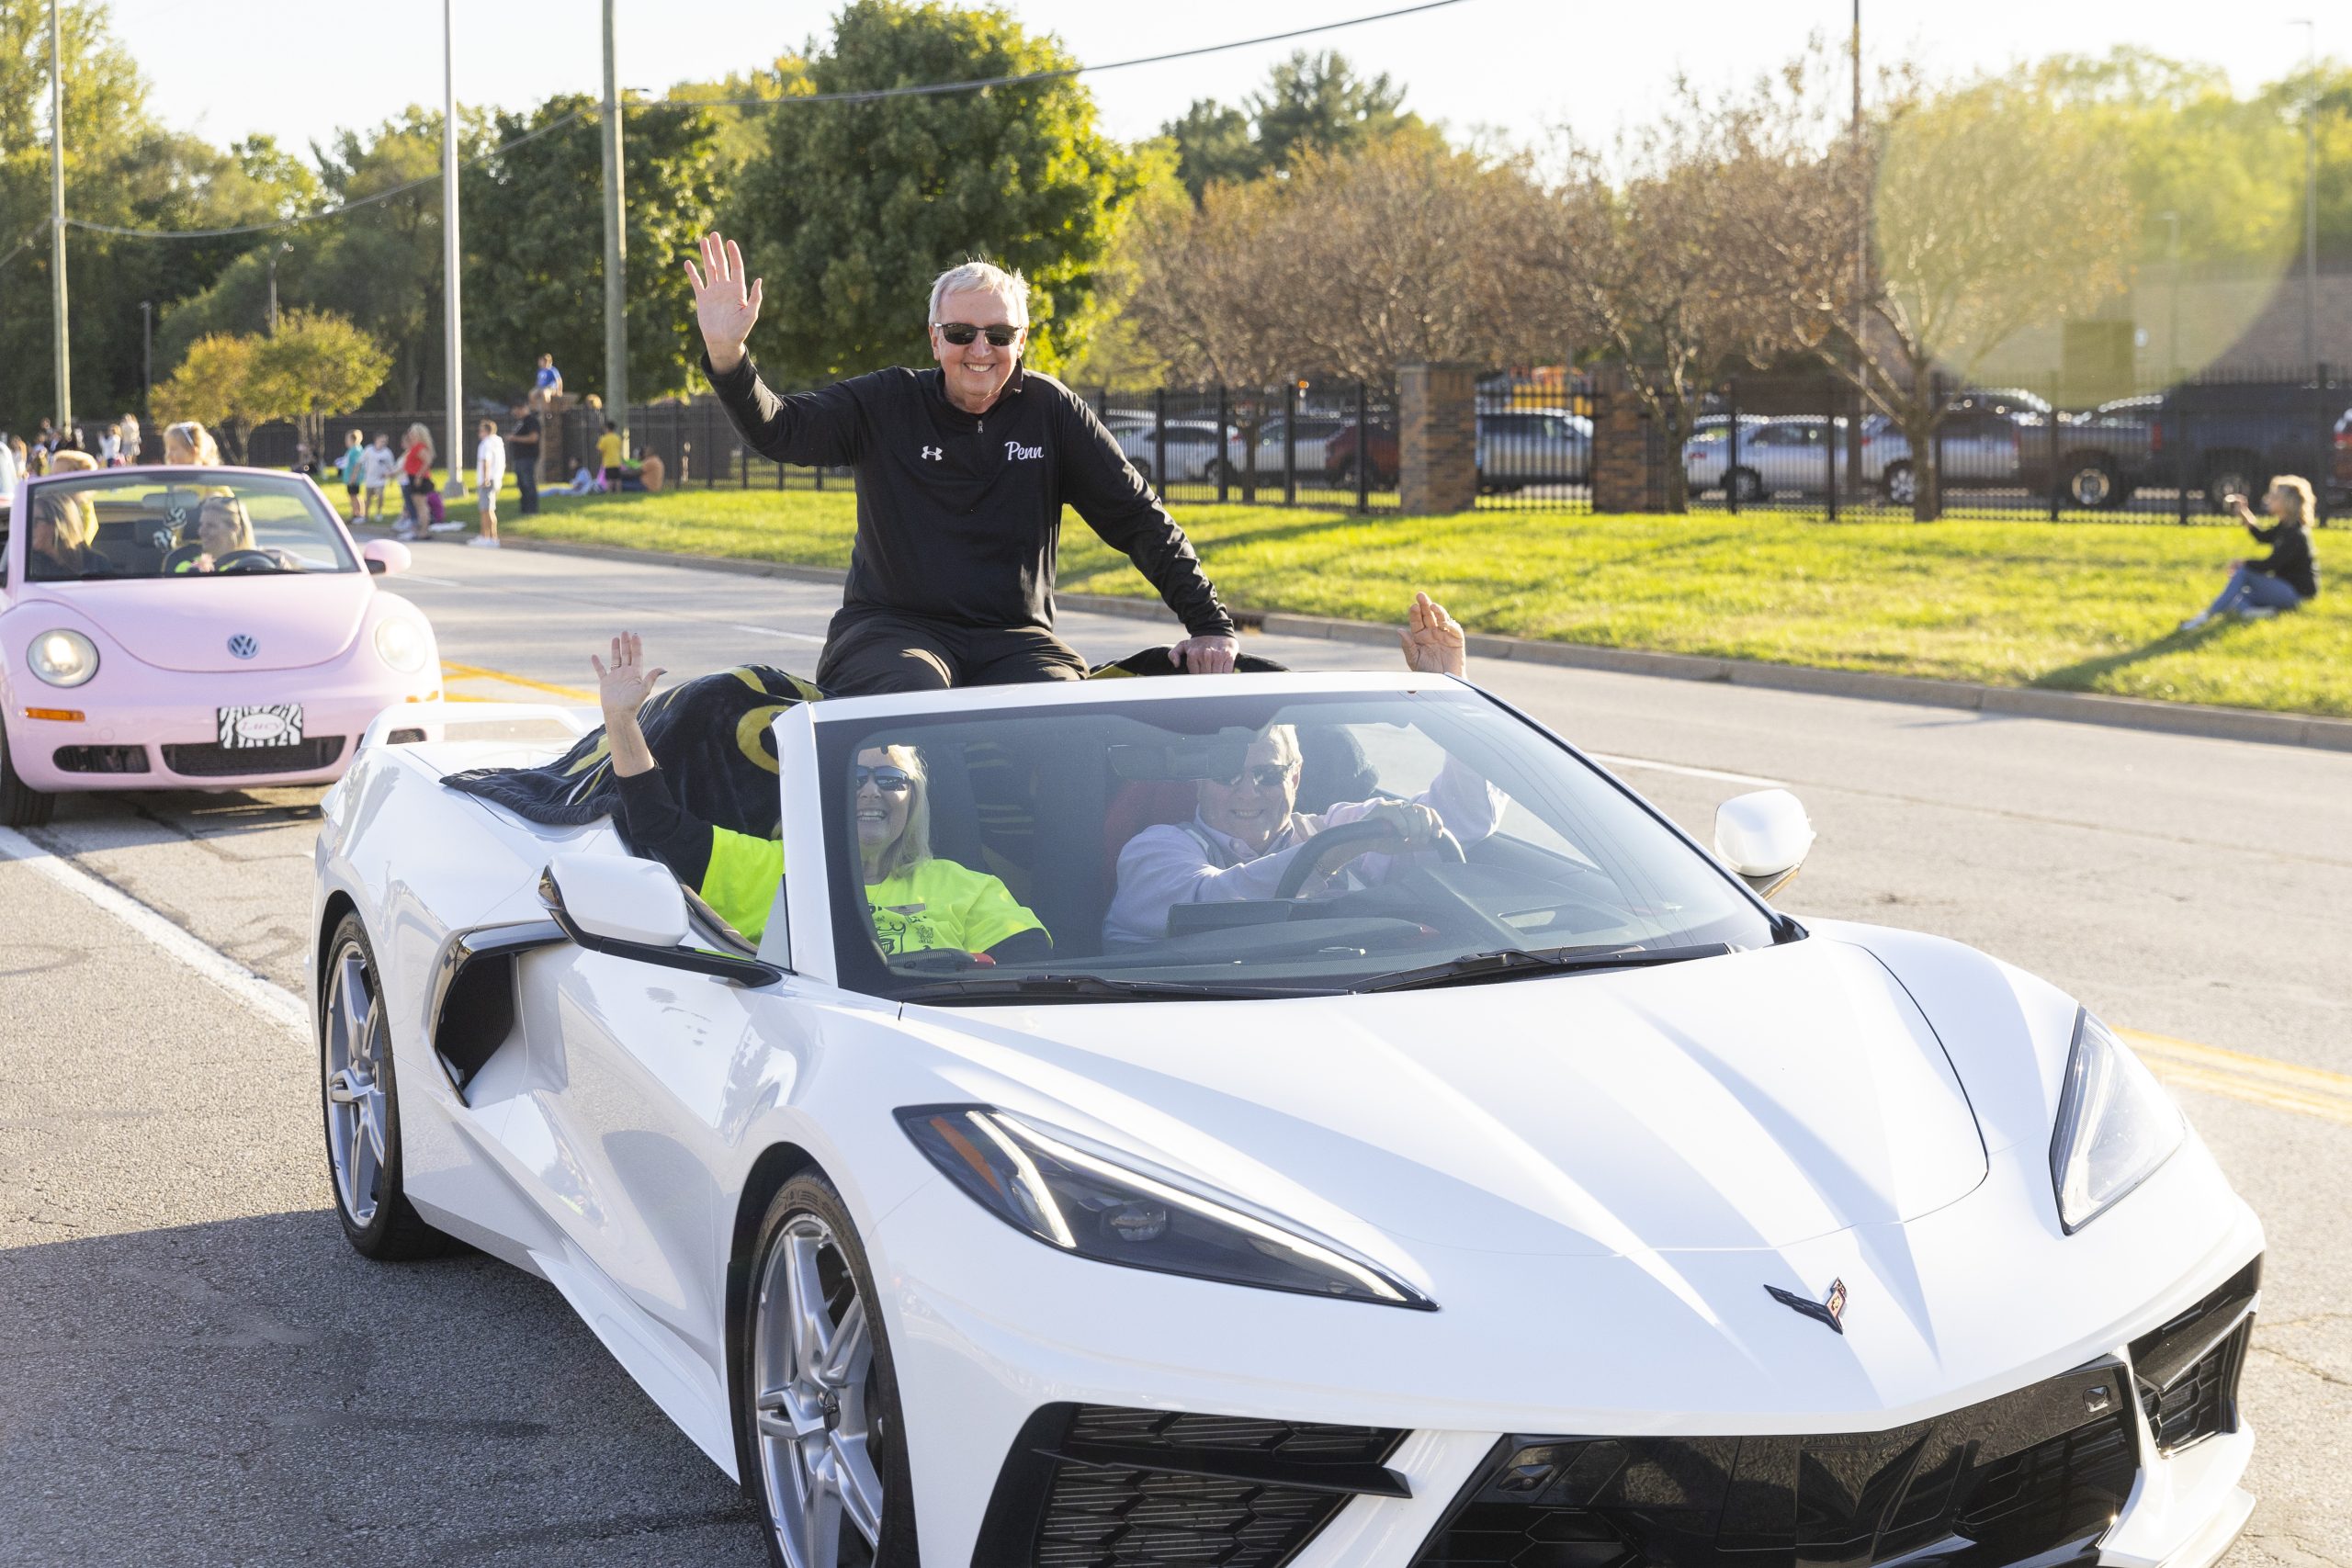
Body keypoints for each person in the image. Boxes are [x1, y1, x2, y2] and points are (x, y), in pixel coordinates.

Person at [686, 231, 1239, 695]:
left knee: (1064, 715)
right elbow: (780, 430)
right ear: (934, 339)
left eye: (999, 335)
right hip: (891, 632)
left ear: (1020, 342)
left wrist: (1209, 625)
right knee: (915, 699)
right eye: (961, 334)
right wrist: (728, 355)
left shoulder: (1053, 411)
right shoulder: (886, 402)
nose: (980, 350)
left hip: (1017, 637)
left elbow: (1139, 519)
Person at [592, 631, 1053, 960]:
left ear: (913, 801)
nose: (872, 791)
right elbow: (655, 822)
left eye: (891, 780)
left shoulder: (966, 887)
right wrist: (621, 720)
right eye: (856, 778)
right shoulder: (776, 869)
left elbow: (1028, 963)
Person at [1103, 593, 1504, 948]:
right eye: (1227, 774)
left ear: (1295, 777)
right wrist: (1335, 852)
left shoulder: (1336, 827)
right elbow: (1213, 899)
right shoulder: (1155, 848)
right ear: (1199, 780)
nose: (1248, 792)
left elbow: (1467, 814)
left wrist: (1451, 692)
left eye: (1268, 774)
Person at [2181, 476, 2321, 628]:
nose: (2269, 499)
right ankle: (2261, 613)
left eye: (2274, 497)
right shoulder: (2285, 526)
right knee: (2236, 598)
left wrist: (2243, 563)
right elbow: (2262, 536)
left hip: (2296, 594)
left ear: (2287, 503)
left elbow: (2270, 565)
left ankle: (2204, 618)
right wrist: (2244, 513)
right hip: (2283, 589)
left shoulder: (2296, 534)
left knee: (2244, 573)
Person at [166, 495, 296, 573]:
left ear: (234, 528)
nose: (202, 531)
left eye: (211, 526)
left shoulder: (265, 561)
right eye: (201, 525)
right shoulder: (186, 564)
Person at [25, 486, 107, 577]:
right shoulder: (27, 564)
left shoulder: (96, 564)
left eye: (34, 522)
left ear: (56, 524)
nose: (28, 527)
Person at [396, 423, 435, 539]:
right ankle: (420, 530)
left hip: (419, 479)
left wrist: (418, 476)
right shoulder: (415, 447)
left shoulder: (420, 447)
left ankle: (424, 531)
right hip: (413, 477)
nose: (410, 435)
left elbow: (427, 461)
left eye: (412, 432)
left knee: (421, 506)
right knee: (418, 506)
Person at [472, 417, 505, 548]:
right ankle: (484, 535)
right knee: (486, 509)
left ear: (486, 431)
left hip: (488, 479)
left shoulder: (486, 444)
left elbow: (486, 461)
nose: (479, 433)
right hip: (496, 478)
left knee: (487, 510)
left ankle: (491, 537)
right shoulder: (497, 442)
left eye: (481, 430)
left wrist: (485, 478)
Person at [508, 394, 542, 515]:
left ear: (522, 408)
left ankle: (532, 510)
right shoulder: (520, 422)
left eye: (516, 409)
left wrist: (515, 438)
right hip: (519, 458)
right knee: (521, 484)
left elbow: (533, 438)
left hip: (528, 457)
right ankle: (524, 509)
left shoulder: (531, 421)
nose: (514, 412)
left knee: (528, 483)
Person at [361, 432, 397, 522]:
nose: (384, 443)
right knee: (368, 498)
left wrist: (390, 476)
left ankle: (378, 513)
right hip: (369, 479)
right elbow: (361, 461)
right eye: (382, 441)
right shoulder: (369, 450)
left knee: (380, 495)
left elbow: (391, 467)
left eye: (385, 441)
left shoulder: (387, 453)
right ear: (376, 440)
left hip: (380, 480)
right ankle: (366, 515)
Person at [335, 429, 368, 523]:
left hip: (353, 478)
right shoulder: (351, 450)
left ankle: (358, 514)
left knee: (355, 495)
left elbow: (357, 465)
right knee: (351, 495)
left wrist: (353, 477)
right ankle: (354, 513)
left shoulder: (356, 450)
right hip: (349, 477)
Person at [595, 420, 622, 491]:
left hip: (608, 462)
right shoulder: (617, 438)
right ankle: (618, 492)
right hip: (617, 461)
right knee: (617, 478)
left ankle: (609, 492)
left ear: (606, 428)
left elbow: (600, 450)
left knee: (609, 479)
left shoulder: (604, 439)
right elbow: (619, 448)